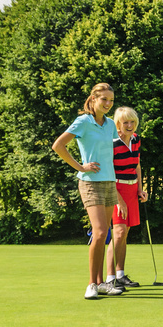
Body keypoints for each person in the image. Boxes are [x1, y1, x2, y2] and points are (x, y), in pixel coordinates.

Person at [52, 83, 127, 300]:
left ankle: (101, 283)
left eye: (111, 100)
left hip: (109, 182)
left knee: (105, 235)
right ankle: (91, 285)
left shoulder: (111, 125)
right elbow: (58, 146)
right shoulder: (83, 121)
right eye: (104, 99)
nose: (107, 103)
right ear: (93, 99)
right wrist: (80, 166)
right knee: (101, 232)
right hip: (90, 183)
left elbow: (114, 148)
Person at [105, 106, 149, 289]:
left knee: (124, 234)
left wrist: (140, 188)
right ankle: (109, 278)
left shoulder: (136, 140)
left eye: (132, 122)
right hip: (116, 189)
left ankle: (120, 274)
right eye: (125, 122)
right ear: (118, 124)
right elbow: (108, 173)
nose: (130, 125)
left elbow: (137, 165)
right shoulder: (112, 142)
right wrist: (119, 200)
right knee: (118, 233)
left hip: (132, 190)